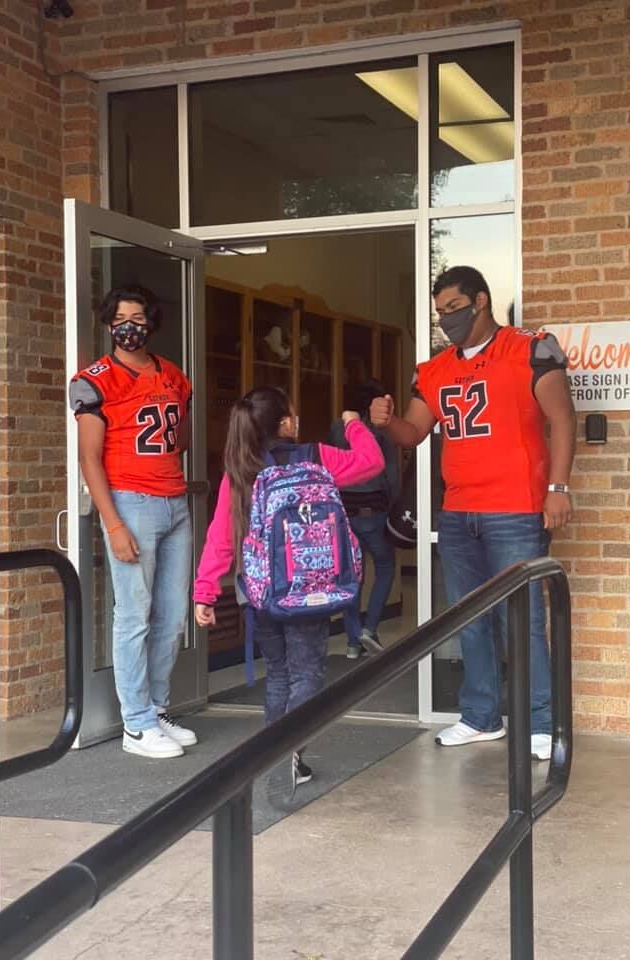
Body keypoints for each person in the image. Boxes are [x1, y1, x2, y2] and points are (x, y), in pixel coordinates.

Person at [370, 266, 576, 762]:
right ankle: (482, 717)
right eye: (441, 313)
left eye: (455, 309)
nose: (448, 320)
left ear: (481, 301)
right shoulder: (435, 369)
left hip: (515, 508)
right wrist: (386, 422)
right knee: (471, 619)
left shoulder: (529, 348)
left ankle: (541, 722)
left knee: (523, 619)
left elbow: (562, 417)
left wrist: (558, 487)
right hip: (459, 511)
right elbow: (414, 434)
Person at [193, 386, 384, 787]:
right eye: (292, 413)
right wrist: (353, 425)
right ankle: (289, 753)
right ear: (284, 423)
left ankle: (273, 755)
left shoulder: (242, 468)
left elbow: (221, 536)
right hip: (308, 588)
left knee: (278, 673)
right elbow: (372, 462)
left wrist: (205, 590)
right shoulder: (315, 456)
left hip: (260, 591)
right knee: (308, 674)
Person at [69, 284, 197, 760]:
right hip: (131, 502)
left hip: (174, 501)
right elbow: (89, 459)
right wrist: (114, 524)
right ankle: (136, 724)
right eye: (121, 317)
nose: (130, 326)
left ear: (151, 321)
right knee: (133, 615)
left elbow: (178, 438)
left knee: (172, 615)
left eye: (138, 316)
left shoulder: (173, 375)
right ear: (108, 325)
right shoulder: (95, 380)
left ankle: (157, 707)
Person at [328, 380, 399, 660]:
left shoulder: (337, 427)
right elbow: (391, 474)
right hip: (375, 512)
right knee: (385, 566)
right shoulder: (379, 431)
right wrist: (396, 507)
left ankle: (352, 641)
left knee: (352, 575)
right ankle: (370, 628)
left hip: (345, 513)